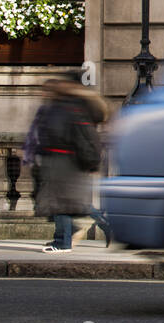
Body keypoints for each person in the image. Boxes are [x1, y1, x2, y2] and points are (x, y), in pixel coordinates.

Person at [26, 73, 112, 253]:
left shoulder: (70, 108)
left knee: (61, 203)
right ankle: (77, 232)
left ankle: (63, 242)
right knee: (65, 203)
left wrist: (91, 162)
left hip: (65, 162)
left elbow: (76, 136)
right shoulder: (62, 106)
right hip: (60, 160)